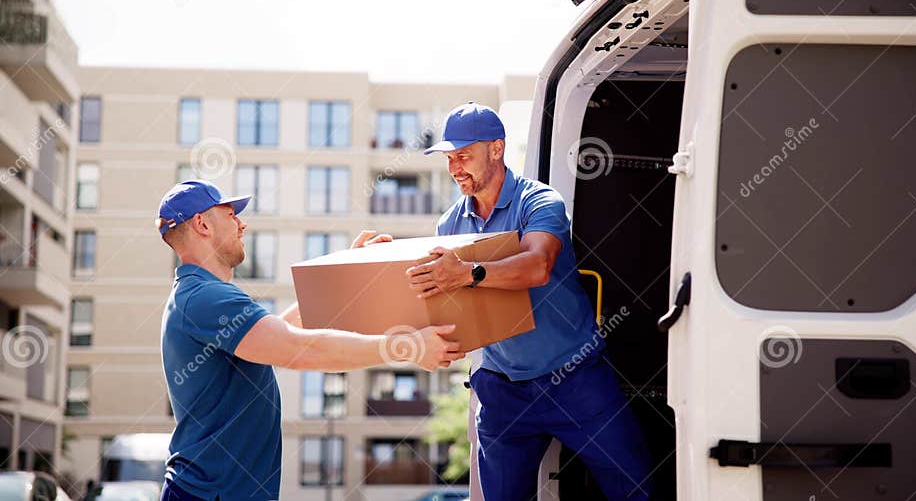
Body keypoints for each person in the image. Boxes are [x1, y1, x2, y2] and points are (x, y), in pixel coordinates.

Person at [399, 102, 653, 500]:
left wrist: (468, 272)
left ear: (496, 149)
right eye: (449, 159)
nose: (455, 168)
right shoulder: (450, 223)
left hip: (576, 378)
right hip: (503, 390)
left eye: (463, 156)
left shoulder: (539, 201)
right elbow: (449, 298)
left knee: (636, 490)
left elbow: (537, 266)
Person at [156, 180, 464, 501]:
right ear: (202, 224)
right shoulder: (205, 298)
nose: (242, 224)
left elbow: (281, 335)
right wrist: (407, 346)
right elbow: (299, 350)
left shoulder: (197, 295)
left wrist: (344, 275)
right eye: (231, 215)